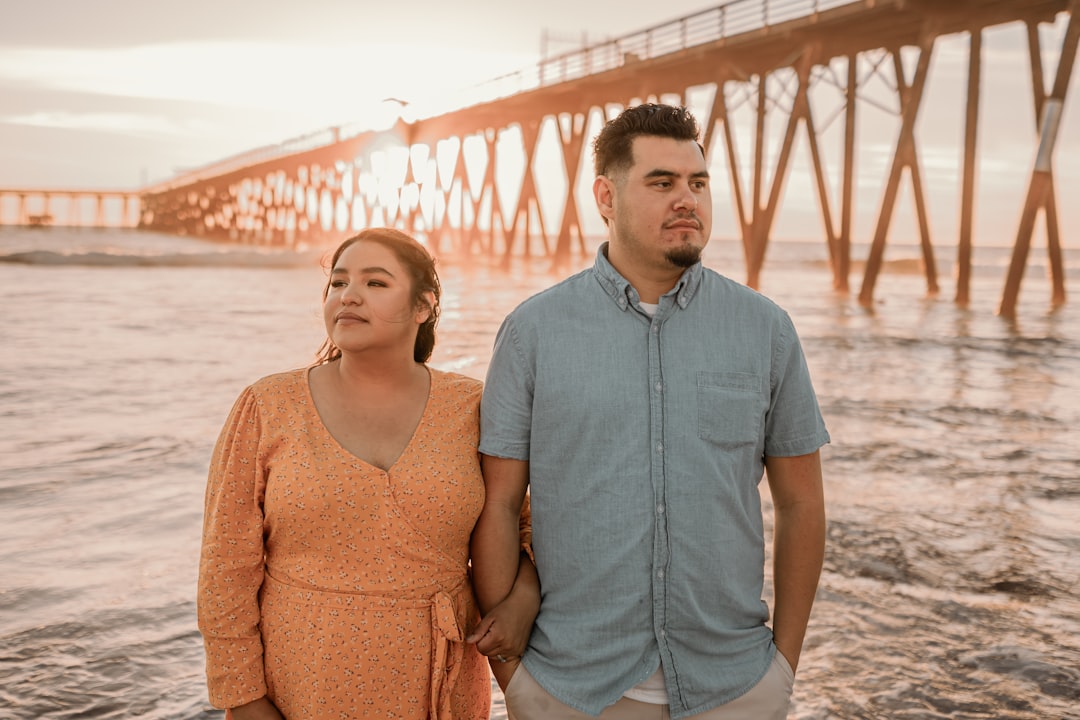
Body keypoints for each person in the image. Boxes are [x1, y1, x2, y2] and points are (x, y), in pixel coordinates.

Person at [470, 104, 829, 720]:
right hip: (573, 687)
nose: (686, 199)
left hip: (734, 685)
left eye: (698, 183)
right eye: (661, 183)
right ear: (606, 196)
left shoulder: (765, 328)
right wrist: (515, 679)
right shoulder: (533, 331)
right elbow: (499, 503)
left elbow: (802, 504)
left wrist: (784, 669)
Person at [197, 227, 537, 720]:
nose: (348, 296)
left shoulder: (472, 407)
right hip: (302, 685)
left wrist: (524, 597)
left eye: (376, 283)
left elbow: (524, 523)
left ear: (423, 306)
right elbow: (224, 570)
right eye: (337, 283)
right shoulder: (269, 405)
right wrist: (243, 700)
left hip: (440, 688)